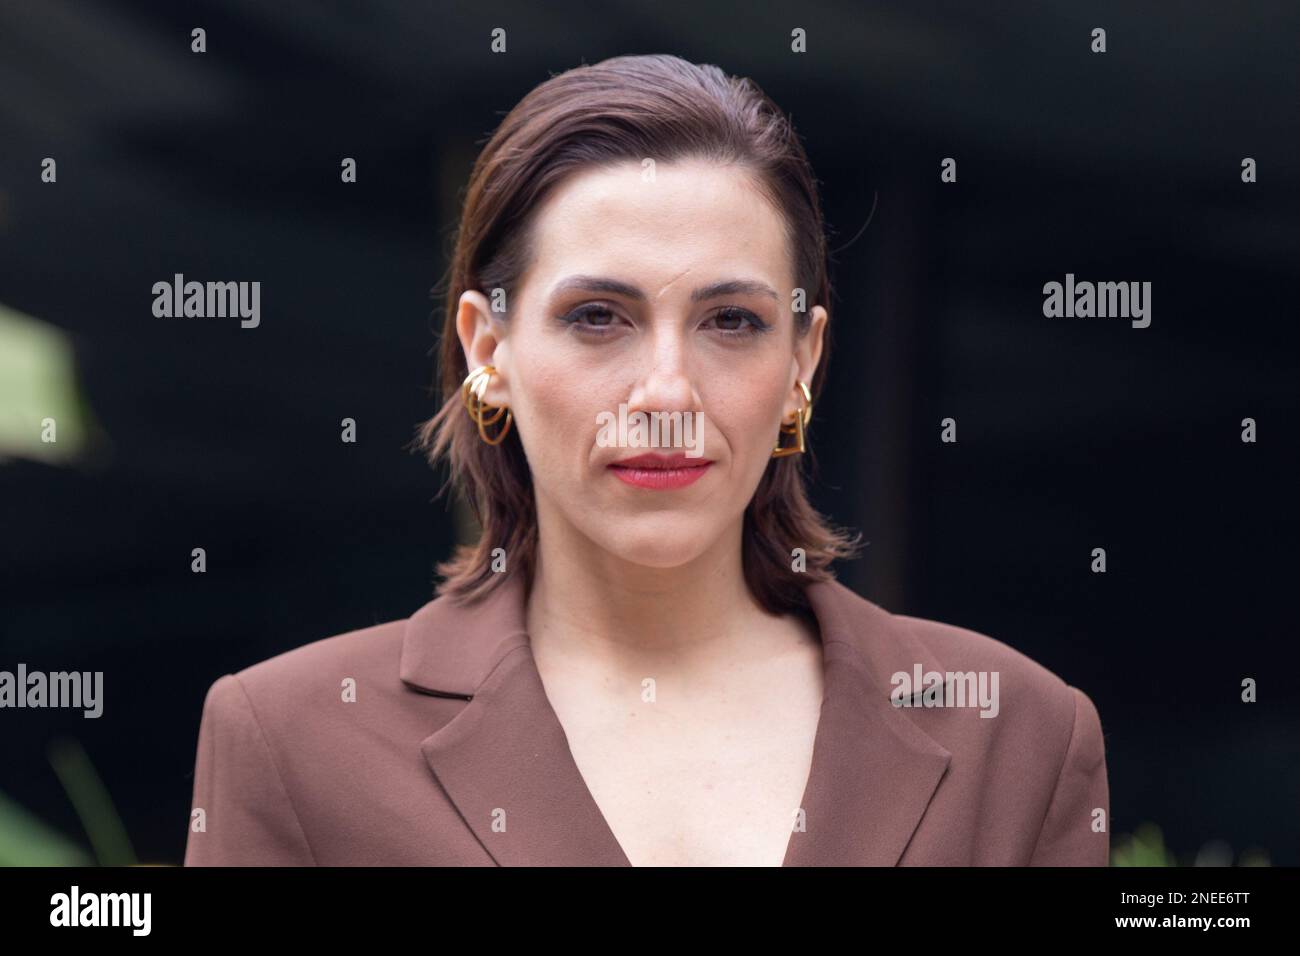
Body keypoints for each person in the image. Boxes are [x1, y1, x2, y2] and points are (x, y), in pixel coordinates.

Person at [184, 53, 1108, 867]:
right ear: (487, 352)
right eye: (598, 318)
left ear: (802, 365)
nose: (667, 394)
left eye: (731, 321)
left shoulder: (1015, 733)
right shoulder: (292, 741)